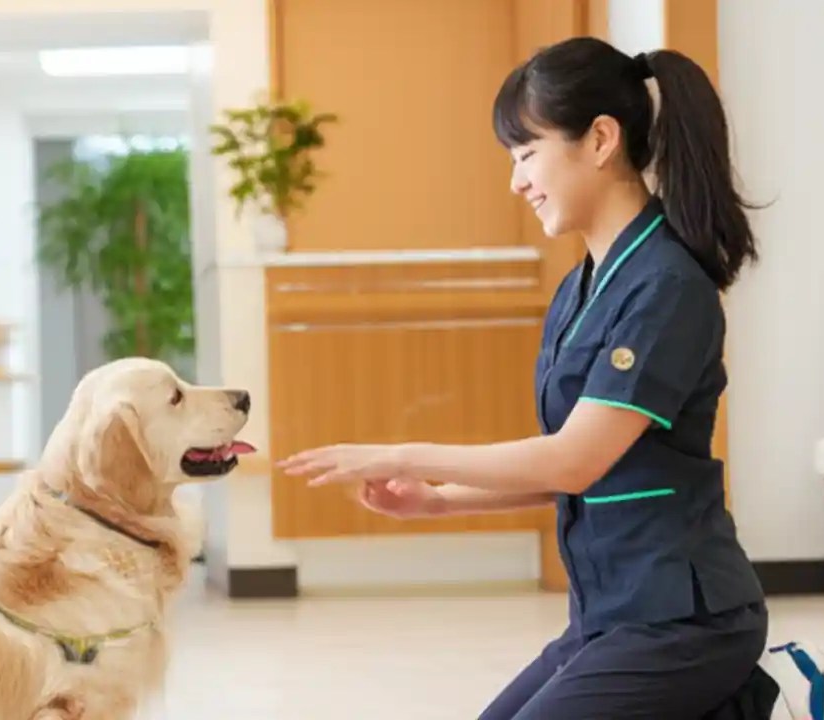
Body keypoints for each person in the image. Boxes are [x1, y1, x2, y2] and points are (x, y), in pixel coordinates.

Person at [280, 37, 783, 718]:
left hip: (681, 618)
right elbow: (576, 469)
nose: (516, 181)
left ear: (601, 140)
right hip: (609, 613)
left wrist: (398, 453)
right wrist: (438, 500)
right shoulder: (583, 289)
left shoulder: (665, 287)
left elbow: (575, 460)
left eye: (526, 154)